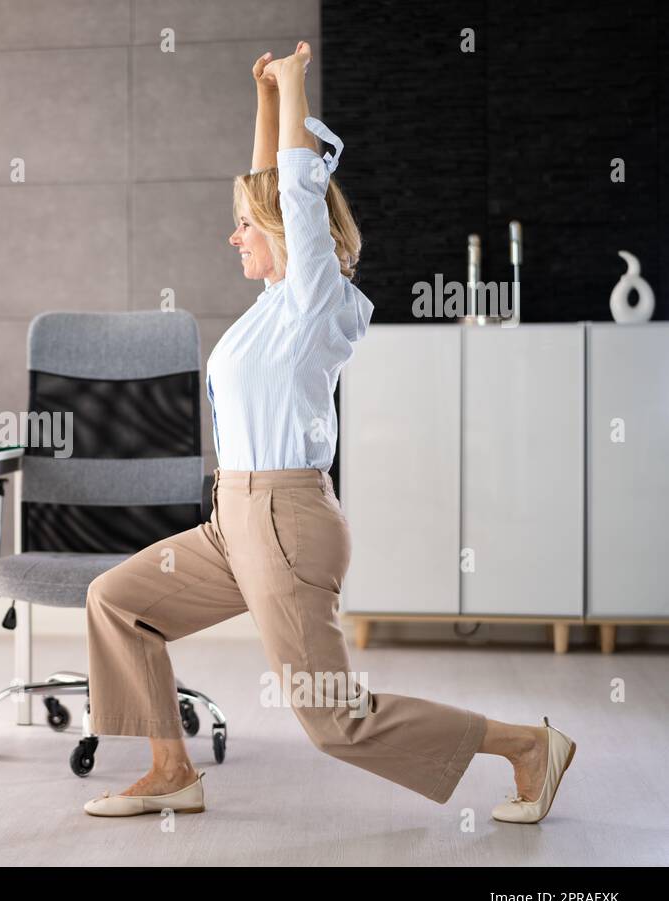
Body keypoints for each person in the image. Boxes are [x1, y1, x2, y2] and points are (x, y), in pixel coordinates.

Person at [81, 42, 576, 824]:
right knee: (117, 601)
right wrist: (263, 101)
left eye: (244, 227)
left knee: (334, 721)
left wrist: (294, 85)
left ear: (282, 231)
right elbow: (271, 193)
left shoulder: (314, 303)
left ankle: (525, 746)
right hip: (231, 522)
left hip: (284, 525)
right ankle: (172, 770)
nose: (233, 236)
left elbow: (295, 200)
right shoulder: (273, 307)